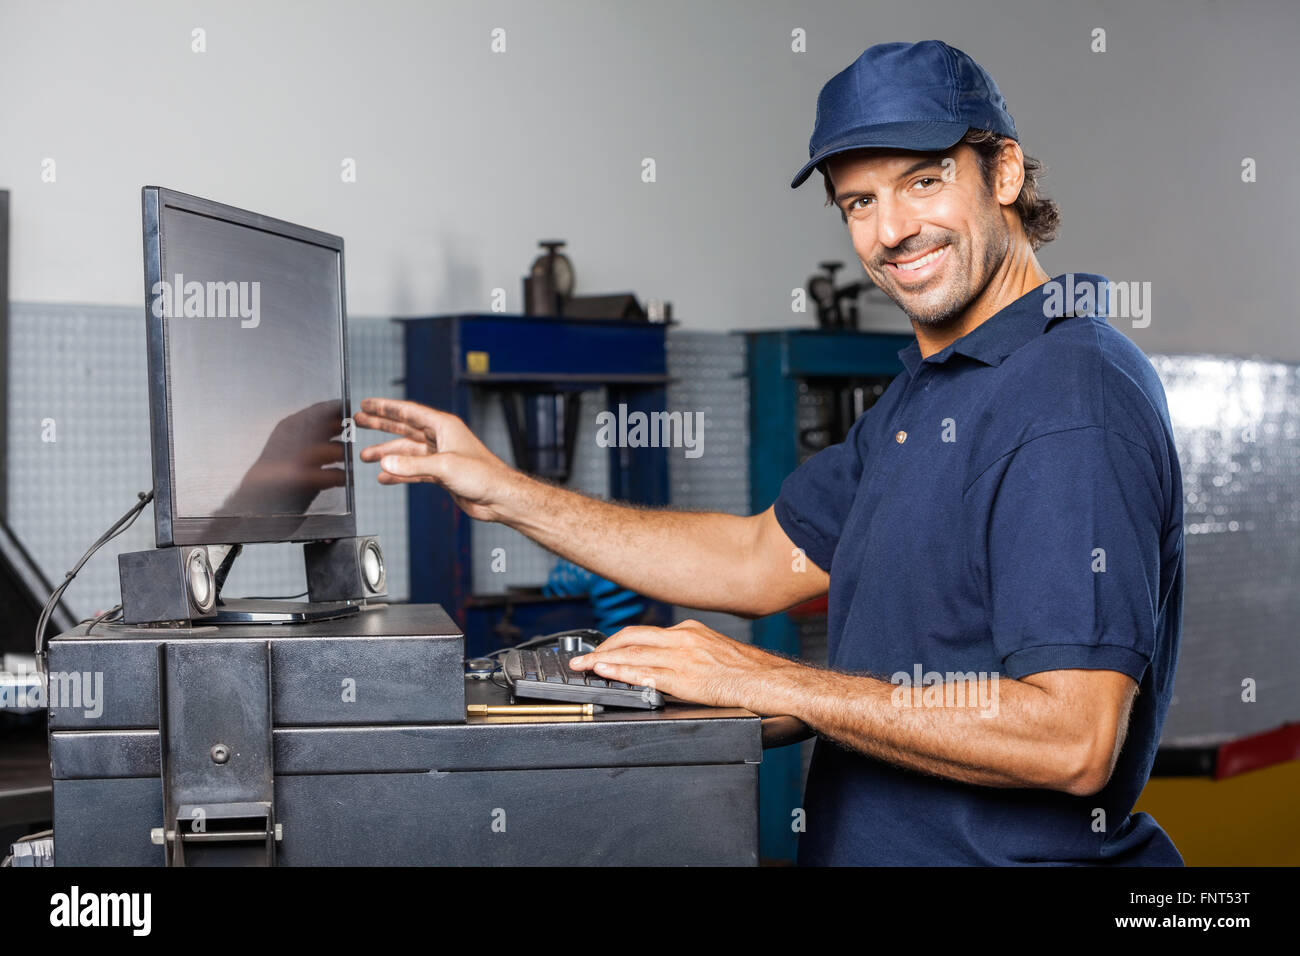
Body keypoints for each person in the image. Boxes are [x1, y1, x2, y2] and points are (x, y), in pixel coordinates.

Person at [355, 40, 1184, 866]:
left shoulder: (1070, 396)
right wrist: (501, 489)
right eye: (858, 202)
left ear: (1003, 173)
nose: (892, 230)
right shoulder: (933, 389)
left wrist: (768, 681)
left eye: (923, 181)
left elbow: (1071, 739)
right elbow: (758, 561)